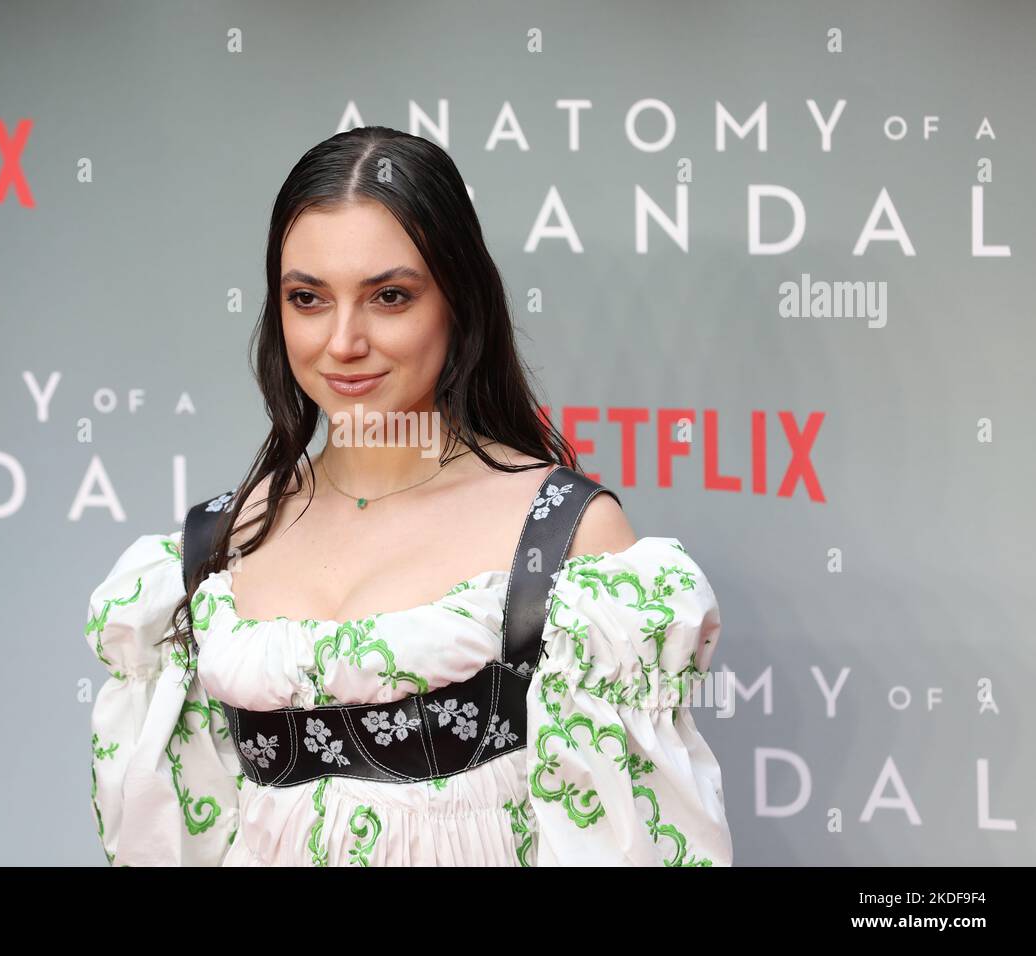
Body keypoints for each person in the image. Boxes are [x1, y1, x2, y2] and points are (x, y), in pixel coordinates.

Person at [84, 126, 732, 867]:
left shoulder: (565, 539)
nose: (343, 341)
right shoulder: (215, 546)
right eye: (308, 298)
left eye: (389, 296)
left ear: (458, 303)